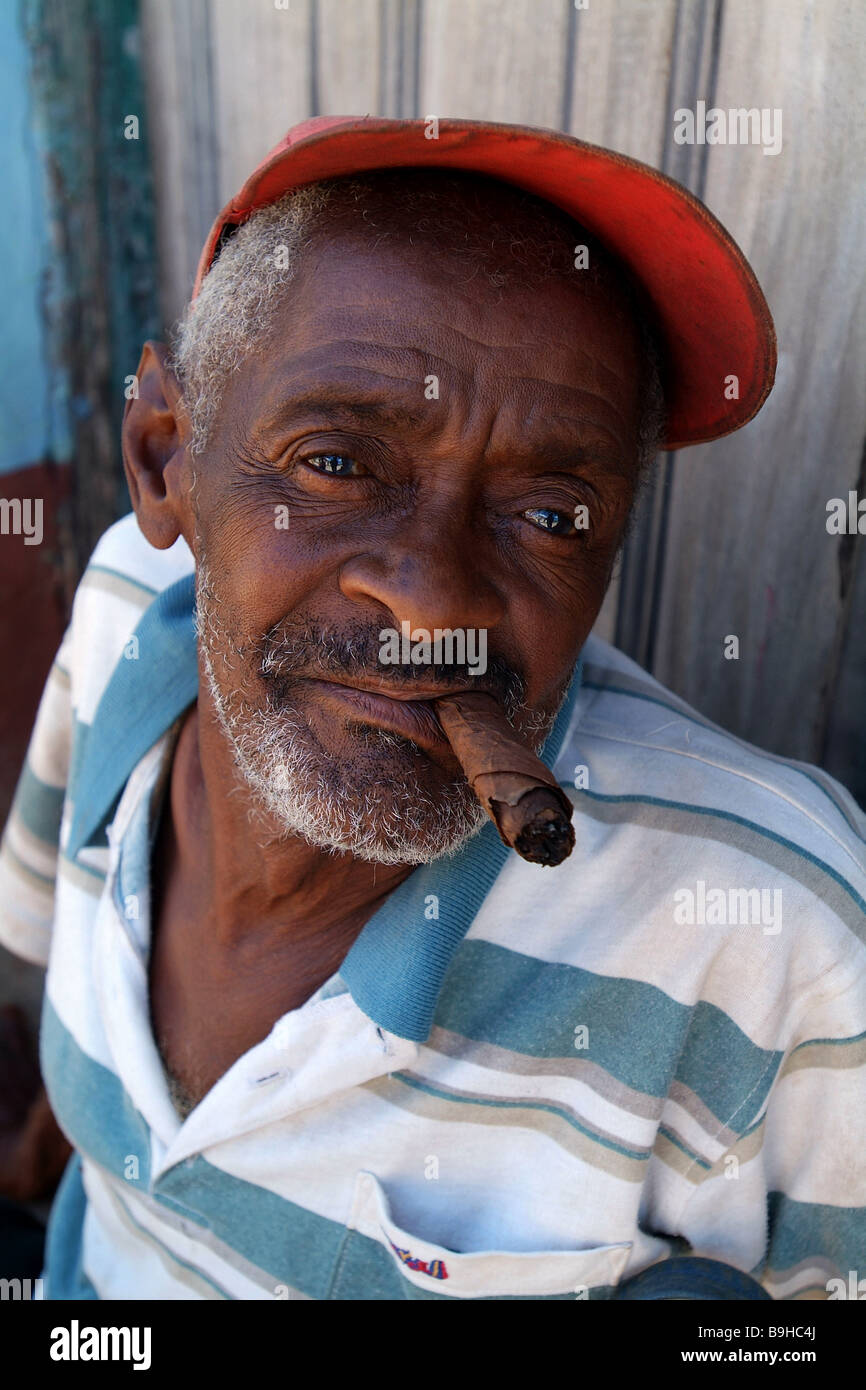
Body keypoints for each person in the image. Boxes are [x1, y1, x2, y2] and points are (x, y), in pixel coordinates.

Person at [0, 116, 863, 1301]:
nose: (434, 601)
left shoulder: (776, 936)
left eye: (550, 514)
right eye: (338, 463)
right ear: (166, 459)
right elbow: (71, 1008)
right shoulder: (122, 621)